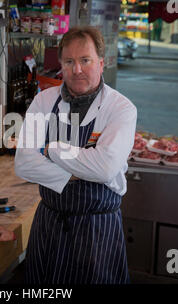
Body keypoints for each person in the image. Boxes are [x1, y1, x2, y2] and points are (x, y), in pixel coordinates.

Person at [14, 26, 137, 284]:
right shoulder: (43, 102)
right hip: (49, 224)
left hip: (97, 231)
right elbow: (24, 164)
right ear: (61, 65)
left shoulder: (121, 108)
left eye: (85, 60)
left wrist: (50, 149)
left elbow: (103, 169)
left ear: (101, 63)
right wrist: (80, 172)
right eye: (69, 61)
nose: (77, 69)